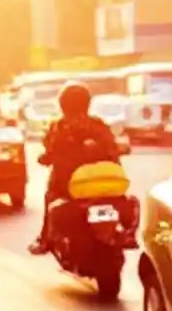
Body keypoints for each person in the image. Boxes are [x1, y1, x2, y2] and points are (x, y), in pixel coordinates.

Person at [29, 82, 123, 255]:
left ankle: (45, 239)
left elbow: (49, 150)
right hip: (104, 184)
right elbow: (113, 148)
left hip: (67, 185)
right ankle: (126, 234)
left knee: (50, 199)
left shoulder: (59, 126)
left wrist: (45, 158)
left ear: (63, 104)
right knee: (122, 200)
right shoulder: (98, 124)